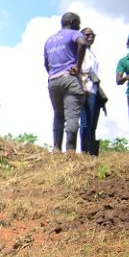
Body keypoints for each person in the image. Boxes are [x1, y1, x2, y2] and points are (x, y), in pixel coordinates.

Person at [44, 12, 85, 153]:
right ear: (73, 22)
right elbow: (82, 42)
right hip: (69, 78)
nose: (79, 27)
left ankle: (56, 149)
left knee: (58, 114)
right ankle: (71, 151)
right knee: (72, 115)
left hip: (53, 81)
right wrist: (78, 67)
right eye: (78, 23)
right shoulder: (73, 33)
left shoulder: (49, 40)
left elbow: (46, 63)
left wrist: (53, 74)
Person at [77, 28, 105, 157]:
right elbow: (82, 70)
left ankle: (91, 152)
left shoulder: (92, 54)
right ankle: (84, 152)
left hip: (94, 90)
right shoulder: (80, 51)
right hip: (86, 88)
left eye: (93, 35)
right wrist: (83, 87)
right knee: (85, 122)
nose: (90, 37)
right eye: (87, 34)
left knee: (92, 123)